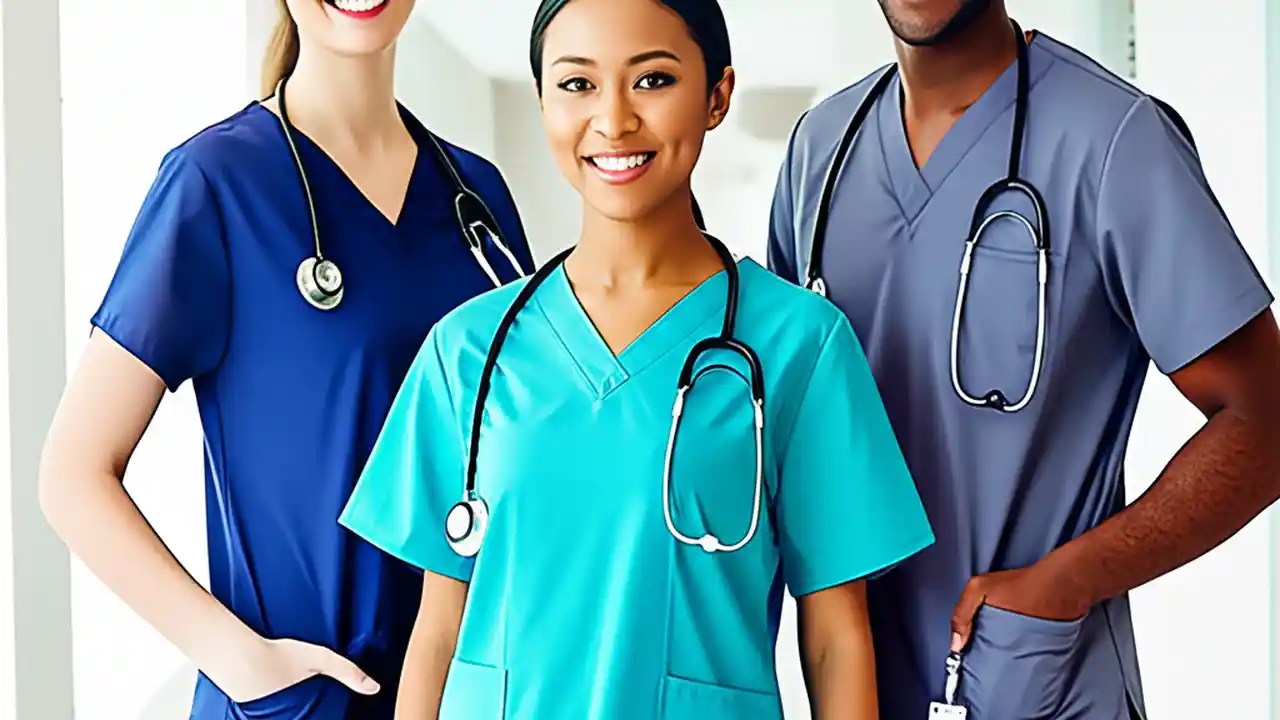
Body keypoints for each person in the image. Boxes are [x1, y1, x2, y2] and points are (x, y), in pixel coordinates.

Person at [336, 0, 935, 717]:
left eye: (652, 80)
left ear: (717, 95)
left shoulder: (800, 347)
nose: (613, 120)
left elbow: (836, 638)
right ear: (542, 103)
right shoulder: (468, 350)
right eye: (577, 84)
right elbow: (437, 633)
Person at [767, 1, 1280, 718]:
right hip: (857, 690)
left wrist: (1068, 581)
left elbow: (1264, 423)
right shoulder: (822, 151)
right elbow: (789, 440)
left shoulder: (1111, 138)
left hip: (1037, 687)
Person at [37, 0, 533, 718]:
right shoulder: (218, 184)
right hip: (300, 700)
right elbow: (72, 473)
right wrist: (239, 660)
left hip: (465, 693)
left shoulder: (477, 197)